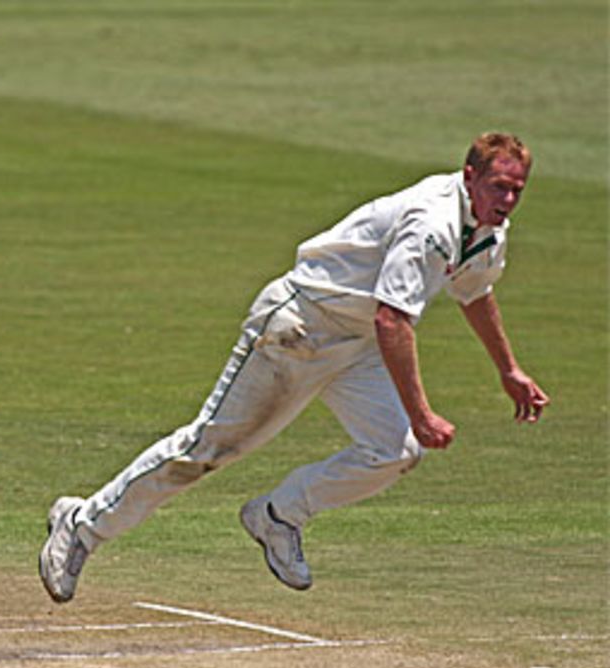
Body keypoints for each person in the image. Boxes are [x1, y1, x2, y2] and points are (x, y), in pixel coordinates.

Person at [39, 133, 548, 602]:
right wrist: (421, 412)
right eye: (499, 187)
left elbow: (474, 289)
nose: (507, 200)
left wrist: (509, 370)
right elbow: (392, 319)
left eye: (517, 191)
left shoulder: (488, 229)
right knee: (207, 449)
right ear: (469, 177)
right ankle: (82, 524)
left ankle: (277, 516)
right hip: (300, 328)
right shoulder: (432, 223)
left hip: (357, 344)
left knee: (395, 451)